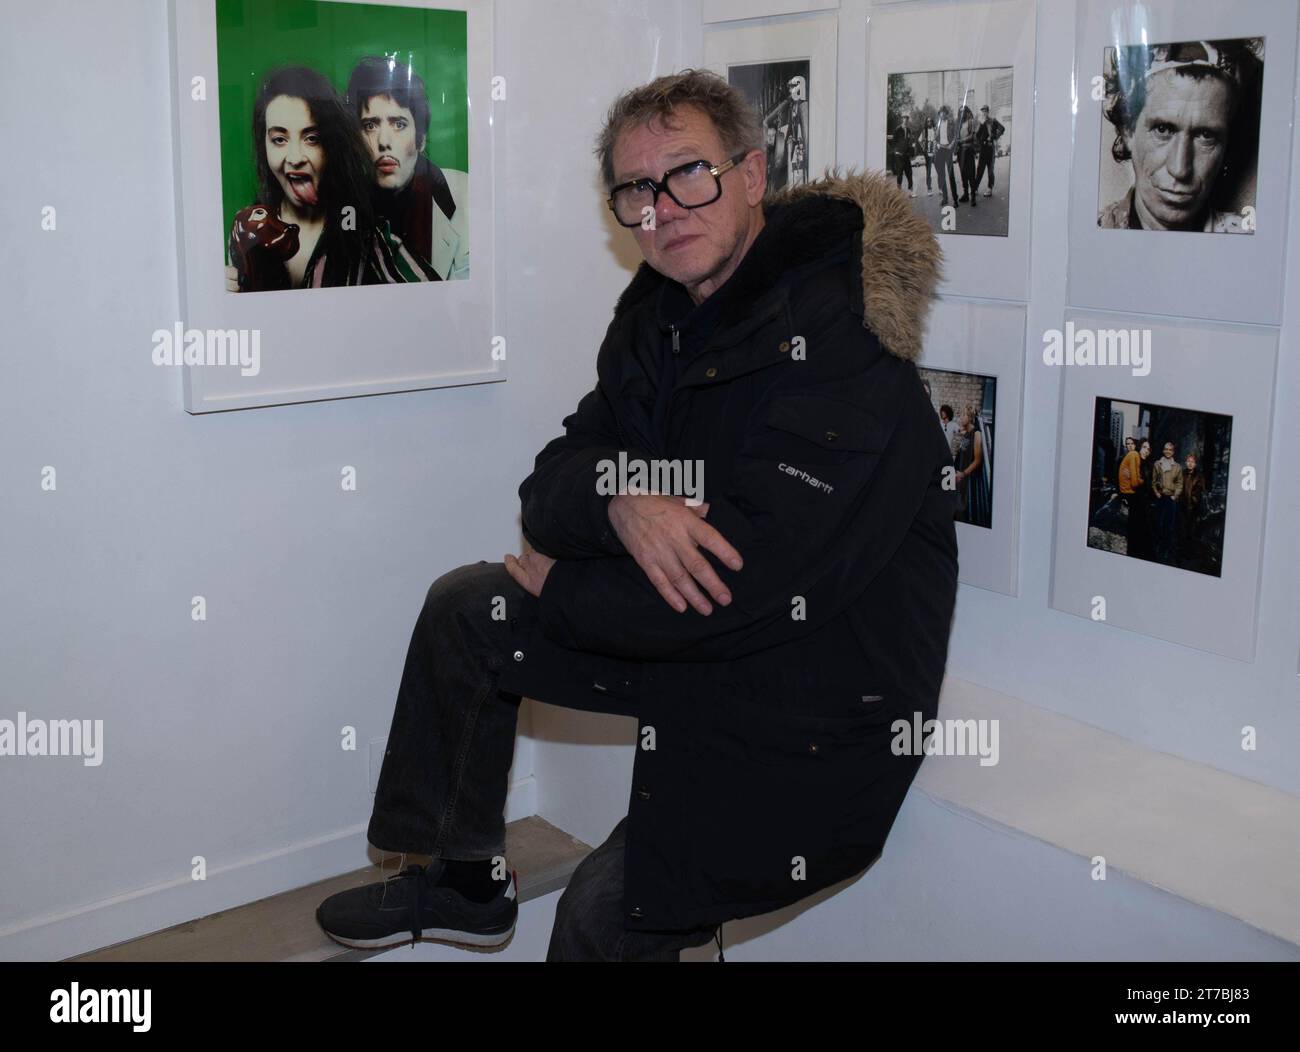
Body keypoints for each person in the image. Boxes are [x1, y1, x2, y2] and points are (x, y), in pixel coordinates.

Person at [315, 68, 955, 961]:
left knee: (602, 917)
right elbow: (552, 484)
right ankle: (465, 882)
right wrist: (621, 499)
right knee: (468, 608)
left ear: (753, 175)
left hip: (812, 699)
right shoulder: (660, 320)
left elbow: (744, 588)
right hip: (693, 642)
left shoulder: (842, 352)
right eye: (635, 189)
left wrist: (573, 588)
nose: (663, 208)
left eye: (689, 173)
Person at [227, 67, 399, 291]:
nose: (295, 157)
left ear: (331, 145)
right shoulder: (246, 230)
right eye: (279, 139)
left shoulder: (368, 235)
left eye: (312, 138)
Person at [1097, 40, 1262, 232]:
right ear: (1128, 132)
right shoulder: (1091, 233)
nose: (1180, 169)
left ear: (1227, 145)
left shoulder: (1248, 241)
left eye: (1206, 135)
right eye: (1163, 130)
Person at [346, 56, 469, 281]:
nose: (384, 141)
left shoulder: (467, 195)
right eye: (370, 125)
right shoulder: (343, 208)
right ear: (356, 141)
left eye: (399, 124)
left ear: (420, 139)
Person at [762, 75, 808, 191]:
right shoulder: (771, 153)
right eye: (770, 136)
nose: (770, 138)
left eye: (772, 136)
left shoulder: (799, 107)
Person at [953, 407, 990, 528]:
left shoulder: (977, 434)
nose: (960, 418)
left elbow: (978, 460)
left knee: (965, 512)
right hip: (960, 478)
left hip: (968, 479)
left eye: (963, 415)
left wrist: (963, 474)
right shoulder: (967, 433)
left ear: (969, 417)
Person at [1151, 440, 1183, 564]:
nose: (1168, 451)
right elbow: (1153, 481)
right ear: (1163, 450)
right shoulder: (1157, 464)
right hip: (1160, 498)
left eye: (1170, 449)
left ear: (1173, 452)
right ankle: (1157, 547)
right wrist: (1156, 492)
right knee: (1158, 524)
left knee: (1169, 526)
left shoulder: (1177, 467)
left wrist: (1175, 495)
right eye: (1166, 449)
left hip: (1171, 499)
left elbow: (1180, 483)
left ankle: (1166, 549)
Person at [1126, 438, 1155, 558]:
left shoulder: (1149, 465)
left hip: (1145, 503)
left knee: (1145, 534)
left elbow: (1150, 485)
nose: (1146, 451)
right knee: (1134, 534)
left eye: (1148, 449)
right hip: (1134, 502)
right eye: (1144, 447)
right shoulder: (1133, 461)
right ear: (1139, 448)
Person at [1178, 451, 1206, 560]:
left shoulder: (1199, 476)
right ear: (1185, 462)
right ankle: (1181, 553)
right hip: (1182, 506)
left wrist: (1193, 502)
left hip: (1193, 508)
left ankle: (1188, 553)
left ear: (1195, 464)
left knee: (1190, 531)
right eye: (1188, 461)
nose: (1190, 463)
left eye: (1192, 462)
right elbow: (1179, 487)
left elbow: (1199, 491)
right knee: (1181, 530)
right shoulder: (1182, 473)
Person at [973, 105, 1004, 197]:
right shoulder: (980, 122)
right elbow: (977, 135)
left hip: (990, 148)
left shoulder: (993, 121)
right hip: (983, 148)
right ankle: (975, 188)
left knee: (990, 169)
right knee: (980, 169)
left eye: (985, 111)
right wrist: (980, 125)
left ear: (988, 112)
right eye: (982, 111)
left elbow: (1002, 129)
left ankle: (989, 189)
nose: (984, 113)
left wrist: (994, 137)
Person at [933, 105, 959, 209]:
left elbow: (956, 136)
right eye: (940, 113)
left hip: (948, 150)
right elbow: (935, 138)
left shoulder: (951, 122)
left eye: (943, 112)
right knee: (941, 175)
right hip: (940, 150)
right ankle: (945, 198)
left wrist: (952, 145)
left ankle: (955, 199)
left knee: (951, 175)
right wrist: (937, 144)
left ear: (946, 113)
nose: (941, 114)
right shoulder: (938, 124)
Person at [956, 106, 978, 208]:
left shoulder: (971, 121)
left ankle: (973, 196)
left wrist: (962, 141)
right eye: (960, 112)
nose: (962, 114)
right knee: (963, 173)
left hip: (968, 150)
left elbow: (973, 136)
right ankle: (966, 194)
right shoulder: (960, 124)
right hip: (961, 152)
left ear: (967, 112)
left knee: (971, 174)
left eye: (963, 111)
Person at [890, 113, 916, 197]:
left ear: (908, 120)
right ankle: (898, 192)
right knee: (900, 173)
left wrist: (911, 150)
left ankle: (911, 191)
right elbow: (893, 142)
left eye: (907, 118)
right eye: (904, 118)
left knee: (909, 173)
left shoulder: (908, 130)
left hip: (906, 155)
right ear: (902, 119)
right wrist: (896, 151)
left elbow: (910, 142)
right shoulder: (897, 129)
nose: (905, 119)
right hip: (899, 155)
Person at [921, 116, 937, 195]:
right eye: (927, 121)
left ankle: (941, 188)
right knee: (928, 172)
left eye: (930, 121)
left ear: (932, 122)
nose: (929, 122)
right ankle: (929, 189)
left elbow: (939, 139)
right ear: (926, 123)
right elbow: (920, 140)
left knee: (939, 171)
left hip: (935, 153)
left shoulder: (935, 129)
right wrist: (924, 148)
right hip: (928, 153)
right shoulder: (924, 131)